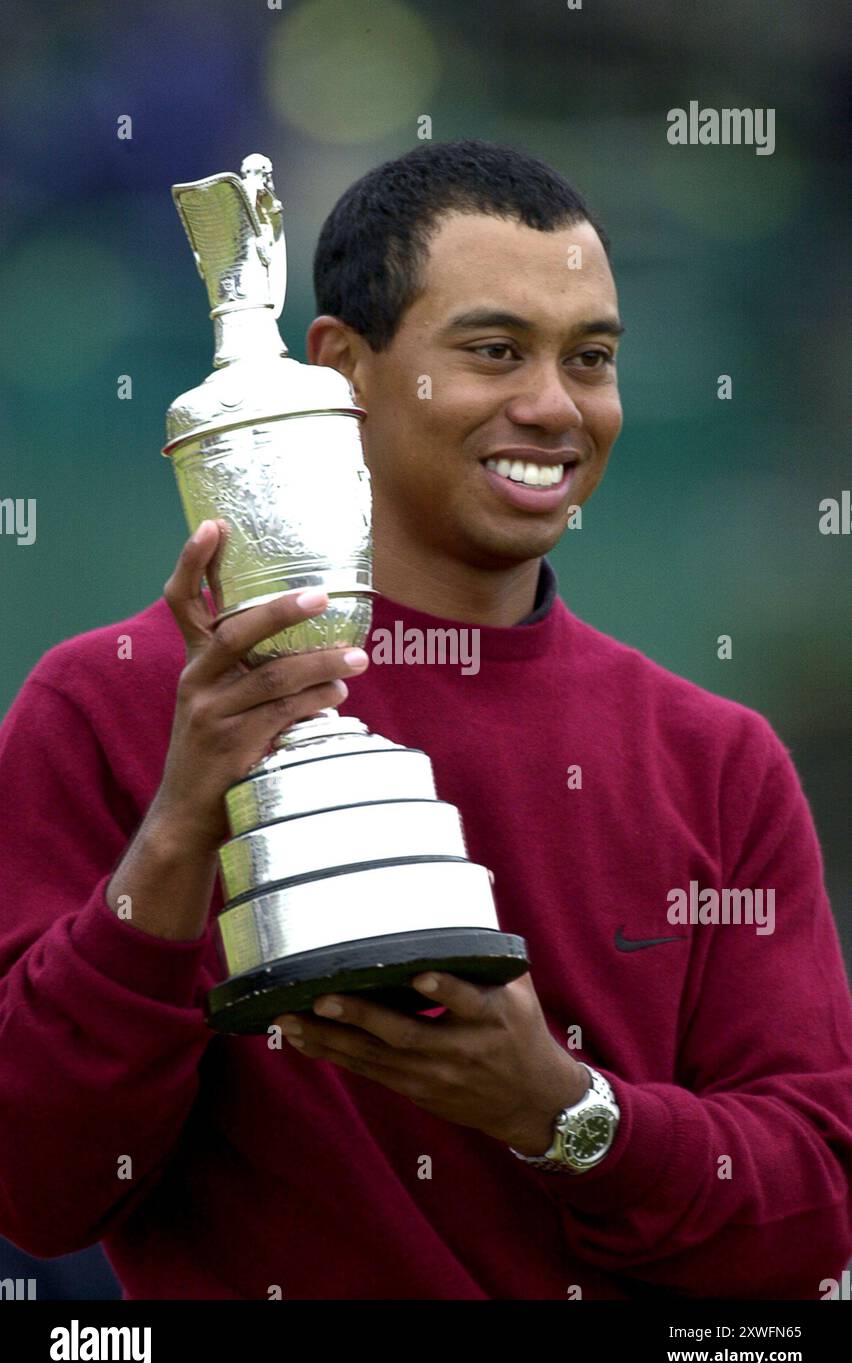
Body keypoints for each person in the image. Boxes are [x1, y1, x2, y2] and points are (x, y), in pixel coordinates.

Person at [0, 139, 850, 1301]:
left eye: (590, 358)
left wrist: (558, 1110)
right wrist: (182, 826)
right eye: (496, 351)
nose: (554, 406)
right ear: (344, 370)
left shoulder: (716, 760)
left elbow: (812, 1218)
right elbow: (38, 1190)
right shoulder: (115, 702)